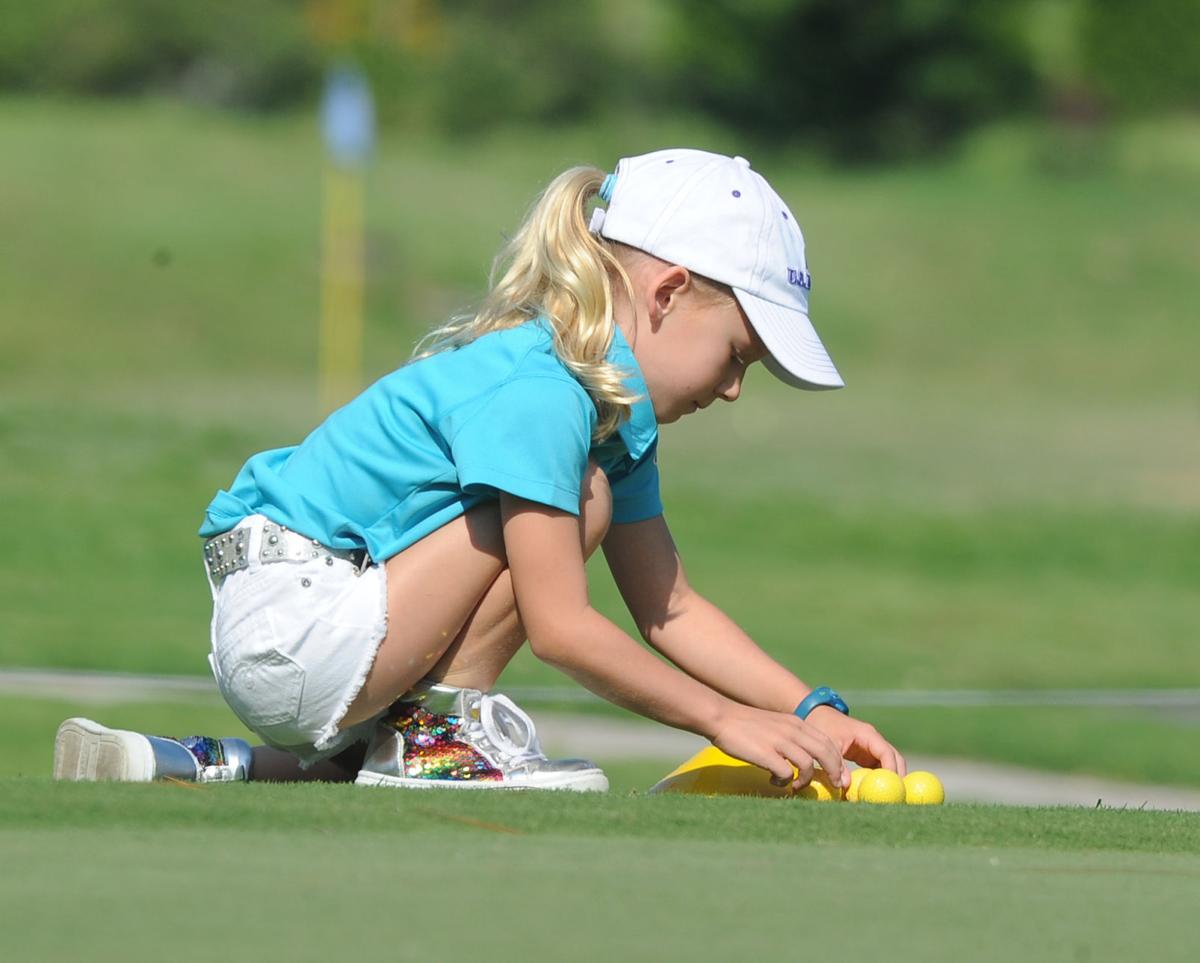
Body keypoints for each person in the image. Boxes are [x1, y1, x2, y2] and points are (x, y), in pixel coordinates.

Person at [54, 148, 906, 792]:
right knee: (585, 498)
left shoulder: (607, 411)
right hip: (296, 618)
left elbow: (670, 606)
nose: (731, 388)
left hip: (300, 625)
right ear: (668, 292)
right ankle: (431, 742)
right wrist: (729, 721)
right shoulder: (546, 395)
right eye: (737, 355)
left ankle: (212, 763)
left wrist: (810, 710)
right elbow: (563, 628)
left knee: (591, 490)